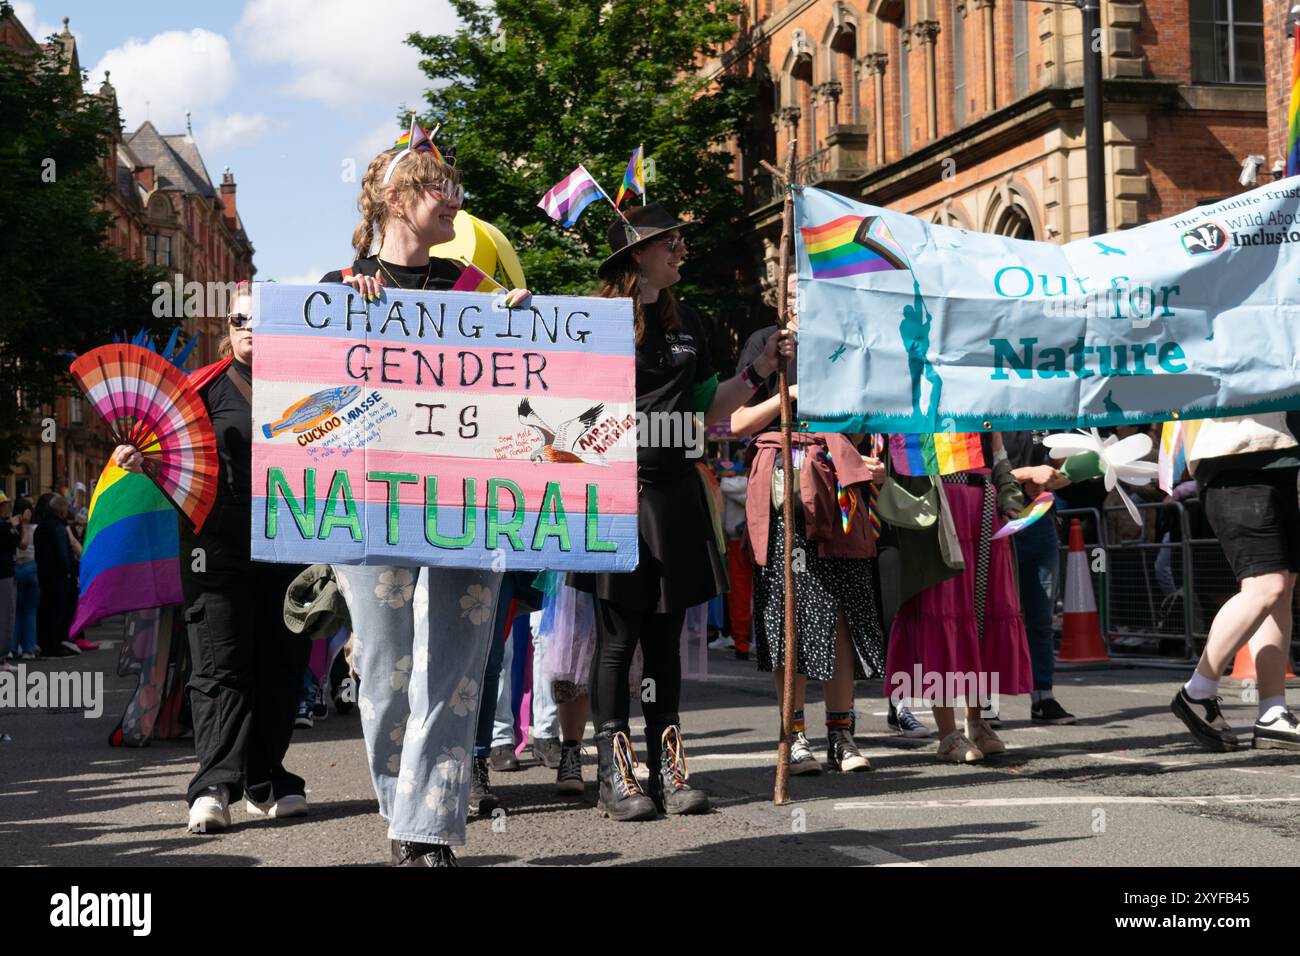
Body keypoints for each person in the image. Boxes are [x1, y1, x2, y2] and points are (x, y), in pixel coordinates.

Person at [320, 137, 531, 866]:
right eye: (441, 185)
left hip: (468, 506)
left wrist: (520, 328)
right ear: (394, 197)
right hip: (371, 508)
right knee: (384, 665)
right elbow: (314, 415)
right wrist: (346, 322)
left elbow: (521, 400)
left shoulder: (475, 288)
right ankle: (401, 807)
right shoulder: (337, 287)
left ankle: (426, 830)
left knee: (457, 669)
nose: (457, 199)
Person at [573, 203, 793, 821]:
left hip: (674, 493)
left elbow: (710, 408)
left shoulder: (689, 320)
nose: (681, 251)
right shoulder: (596, 319)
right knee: (618, 641)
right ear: (638, 253)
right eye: (671, 241)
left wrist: (762, 370)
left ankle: (668, 768)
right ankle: (615, 776)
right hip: (615, 493)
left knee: (665, 641)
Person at [114, 284, 312, 833]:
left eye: (260, 319)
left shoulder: (306, 386)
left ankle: (265, 780)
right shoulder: (197, 391)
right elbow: (159, 449)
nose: (249, 328)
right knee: (218, 666)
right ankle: (214, 787)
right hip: (215, 549)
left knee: (282, 664)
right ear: (227, 328)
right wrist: (135, 456)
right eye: (239, 319)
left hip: (289, 547)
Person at [731, 273, 889, 776]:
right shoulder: (764, 343)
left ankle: (841, 734)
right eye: (791, 288)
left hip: (838, 490)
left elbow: (869, 416)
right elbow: (734, 421)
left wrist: (865, 455)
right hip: (783, 494)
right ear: (776, 293)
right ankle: (793, 736)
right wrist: (789, 391)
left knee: (840, 615)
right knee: (788, 617)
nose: (801, 296)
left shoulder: (847, 342)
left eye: (810, 288)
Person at [887, 432, 1033, 762]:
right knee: (943, 614)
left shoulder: (978, 397)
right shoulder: (921, 397)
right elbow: (901, 455)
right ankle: (947, 733)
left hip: (984, 509)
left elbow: (998, 456)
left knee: (981, 617)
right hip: (939, 508)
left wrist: (1010, 497)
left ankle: (977, 721)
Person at [1171, 412, 1300, 750]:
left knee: (1282, 591)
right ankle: (1197, 690)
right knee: (1266, 584)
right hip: (1235, 457)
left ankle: (1272, 711)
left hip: (1287, 458)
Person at [1001, 431, 1077, 724]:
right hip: (997, 519)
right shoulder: (986, 410)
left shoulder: (1045, 415)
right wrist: (1028, 474)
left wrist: (1061, 474)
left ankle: (1043, 696)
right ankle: (982, 703)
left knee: (1041, 618)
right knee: (991, 614)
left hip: (1041, 517)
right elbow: (978, 472)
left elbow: (1063, 470)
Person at [34, 495, 78, 658]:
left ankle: (44, 643)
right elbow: (62, 553)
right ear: (61, 511)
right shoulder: (58, 528)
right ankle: (55, 645)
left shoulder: (41, 527)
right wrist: (69, 571)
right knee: (58, 611)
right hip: (60, 577)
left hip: (44, 575)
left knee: (46, 610)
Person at [718, 463, 752, 659]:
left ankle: (741, 643)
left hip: (737, 542)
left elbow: (722, 517)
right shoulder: (763, 483)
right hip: (761, 540)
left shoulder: (728, 484)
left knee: (738, 594)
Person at [0, 492, 26, 672]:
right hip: (4, 575)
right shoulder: (4, 528)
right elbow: (22, 543)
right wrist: (20, 525)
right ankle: (1, 659)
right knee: (5, 615)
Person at [10, 496, 37, 661]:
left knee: (14, 612)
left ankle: (12, 647)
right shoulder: (34, 528)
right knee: (30, 612)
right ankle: (29, 648)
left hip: (15, 567)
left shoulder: (11, 528)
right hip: (32, 566)